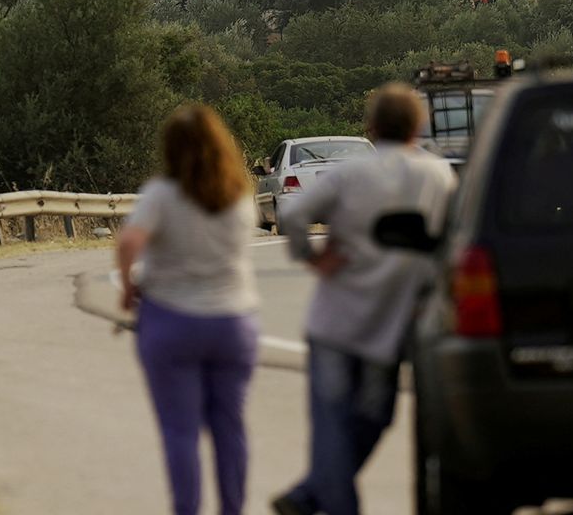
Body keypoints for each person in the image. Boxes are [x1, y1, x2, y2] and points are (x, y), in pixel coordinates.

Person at [274, 84, 457, 515]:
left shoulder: (350, 174)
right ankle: (310, 496)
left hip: (334, 325)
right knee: (374, 419)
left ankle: (309, 496)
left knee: (333, 429)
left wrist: (312, 258)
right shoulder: (439, 176)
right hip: (390, 328)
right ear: (419, 124)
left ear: (372, 127)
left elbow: (293, 214)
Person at [118, 104, 261, 515]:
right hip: (233, 322)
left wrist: (128, 288)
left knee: (179, 430)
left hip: (172, 319)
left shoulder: (162, 195)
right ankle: (233, 508)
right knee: (230, 427)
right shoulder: (238, 195)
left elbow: (129, 242)